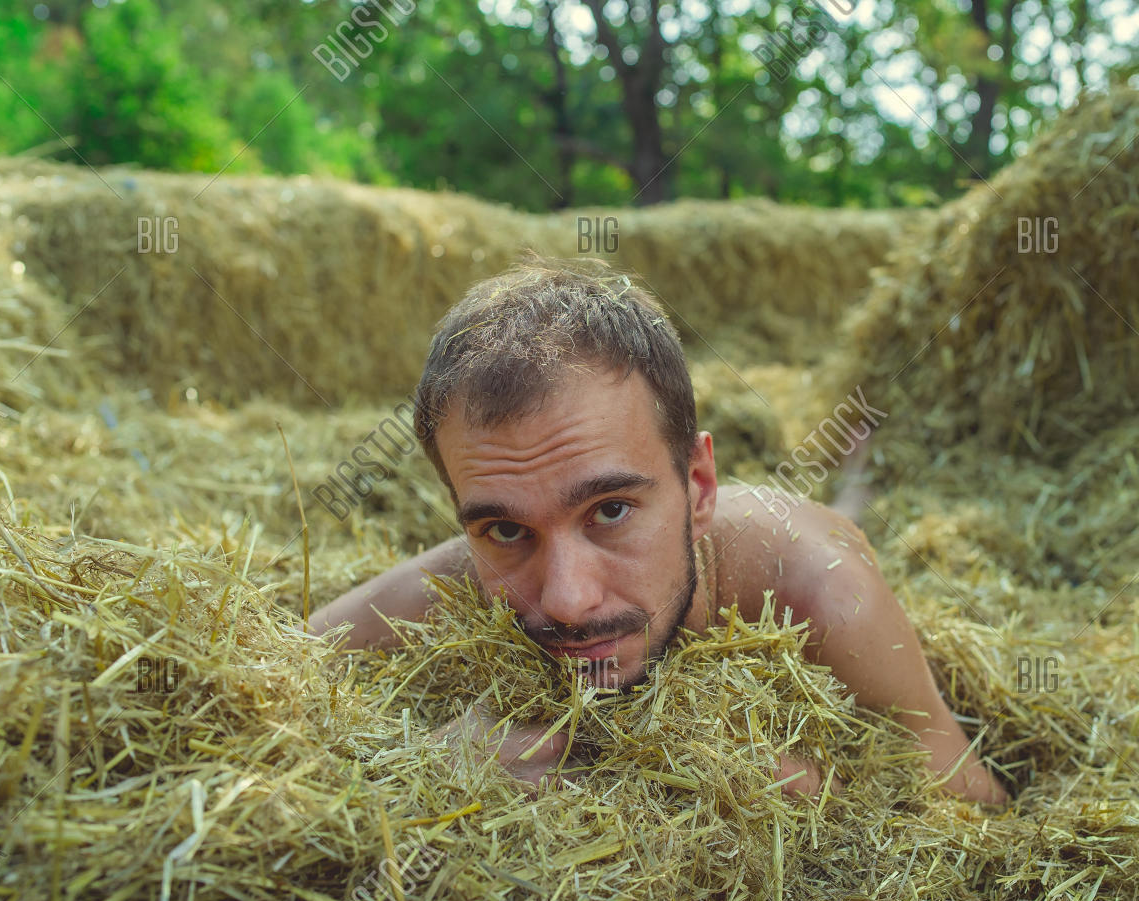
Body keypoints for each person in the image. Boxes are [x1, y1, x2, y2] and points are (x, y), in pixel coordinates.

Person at [307, 258, 1008, 805]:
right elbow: (271, 678)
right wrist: (423, 764)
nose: (567, 601)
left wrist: (818, 795)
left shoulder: (830, 599)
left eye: (609, 511)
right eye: (504, 528)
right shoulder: (468, 575)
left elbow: (979, 806)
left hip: (794, 539)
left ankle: (859, 476)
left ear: (698, 487)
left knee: (843, 515)